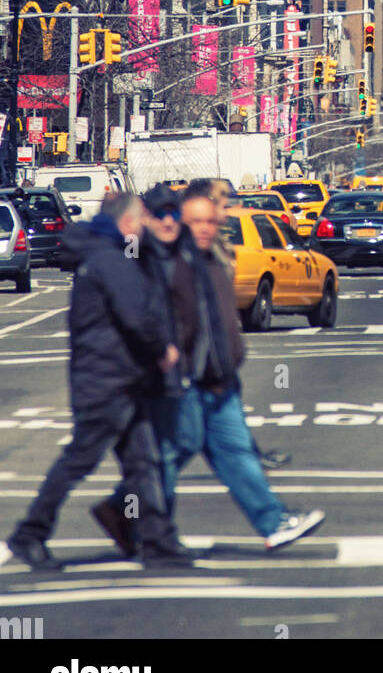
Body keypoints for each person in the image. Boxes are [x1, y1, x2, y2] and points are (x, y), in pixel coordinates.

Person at [3, 194, 192, 571]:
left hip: (118, 376)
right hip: (106, 379)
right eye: (139, 220)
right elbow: (136, 315)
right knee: (81, 458)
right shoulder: (112, 258)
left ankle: (157, 540)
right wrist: (161, 349)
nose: (143, 227)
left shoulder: (107, 253)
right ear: (126, 223)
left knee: (143, 463)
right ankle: (30, 532)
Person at [170, 188, 322, 549]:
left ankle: (272, 523)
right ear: (180, 223)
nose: (205, 228)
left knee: (236, 454)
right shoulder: (171, 266)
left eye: (210, 220)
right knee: (167, 457)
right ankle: (128, 515)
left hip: (219, 381)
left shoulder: (213, 260)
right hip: (188, 383)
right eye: (196, 222)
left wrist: (230, 361)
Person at [92, 185, 195, 556]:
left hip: (179, 370)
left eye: (174, 214)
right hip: (144, 373)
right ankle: (153, 533)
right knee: (156, 455)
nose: (169, 220)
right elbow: (135, 315)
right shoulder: (137, 254)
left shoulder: (181, 251)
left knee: (173, 447)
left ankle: (126, 513)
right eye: (160, 214)